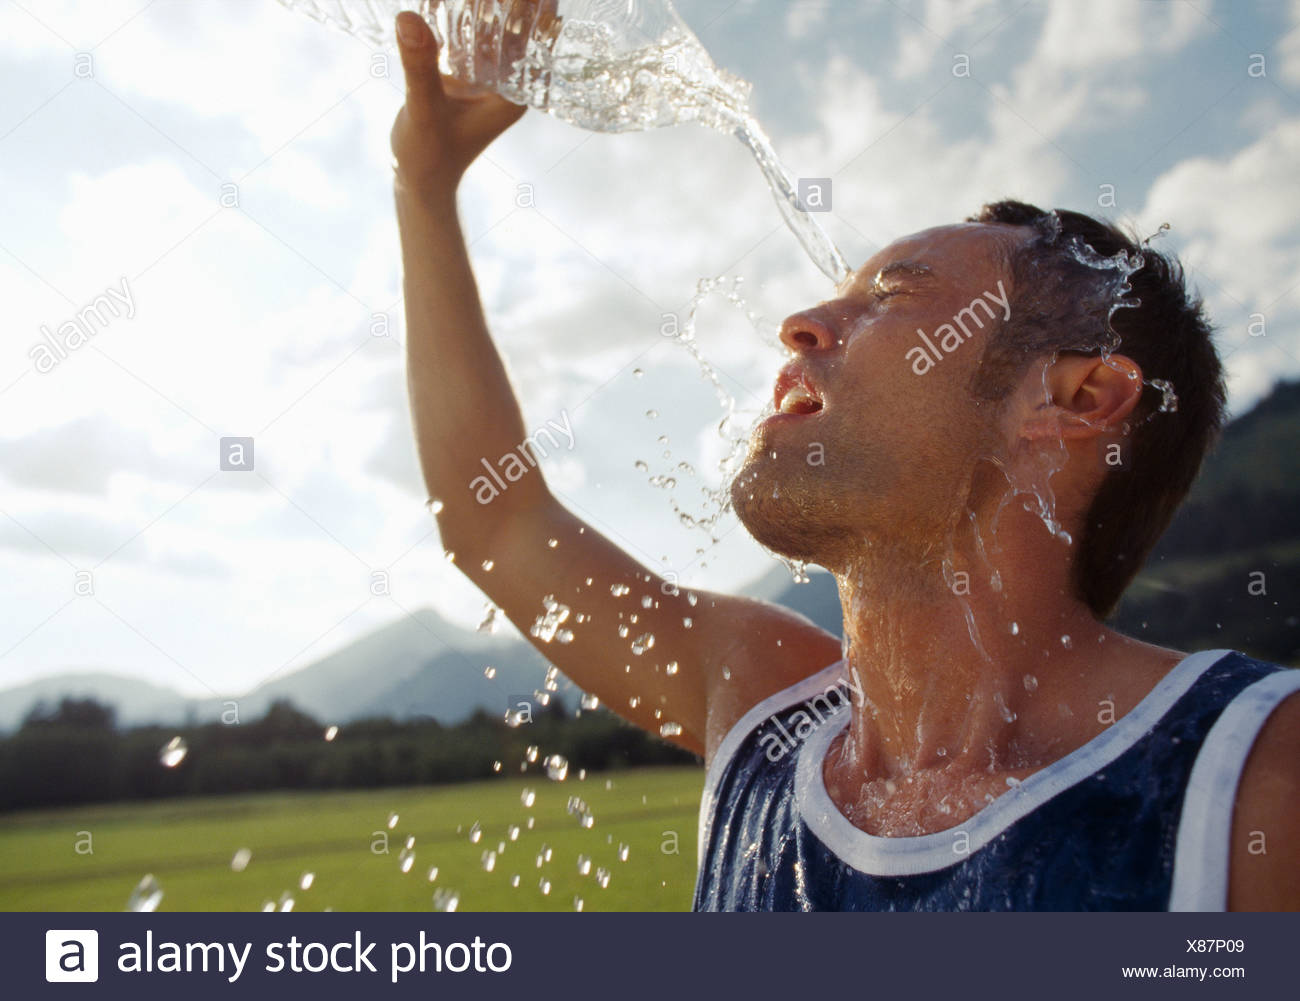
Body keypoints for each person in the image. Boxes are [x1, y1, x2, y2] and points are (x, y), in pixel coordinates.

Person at [389, 11, 1300, 911]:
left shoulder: (1254, 772)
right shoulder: (762, 712)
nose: (801, 324)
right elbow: (495, 521)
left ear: (1076, 400)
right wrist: (423, 186)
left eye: (895, 297)